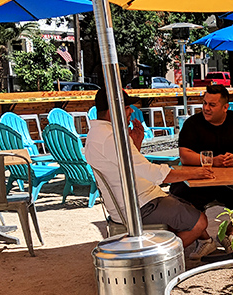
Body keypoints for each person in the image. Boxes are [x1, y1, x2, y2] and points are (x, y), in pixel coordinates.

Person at [84, 87, 218, 266]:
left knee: (188, 206)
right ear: (112, 112)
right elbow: (153, 173)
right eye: (126, 107)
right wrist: (196, 172)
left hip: (135, 200)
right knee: (200, 222)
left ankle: (205, 243)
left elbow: (125, 169)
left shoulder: (98, 134)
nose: (131, 111)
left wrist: (135, 143)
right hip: (139, 206)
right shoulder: (112, 138)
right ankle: (155, 262)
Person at [170, 84, 233, 214]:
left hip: (232, 181)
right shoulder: (192, 123)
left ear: (225, 107)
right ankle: (199, 232)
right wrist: (212, 161)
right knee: (183, 200)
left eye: (212, 105)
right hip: (198, 181)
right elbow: (185, 156)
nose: (206, 108)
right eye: (205, 103)